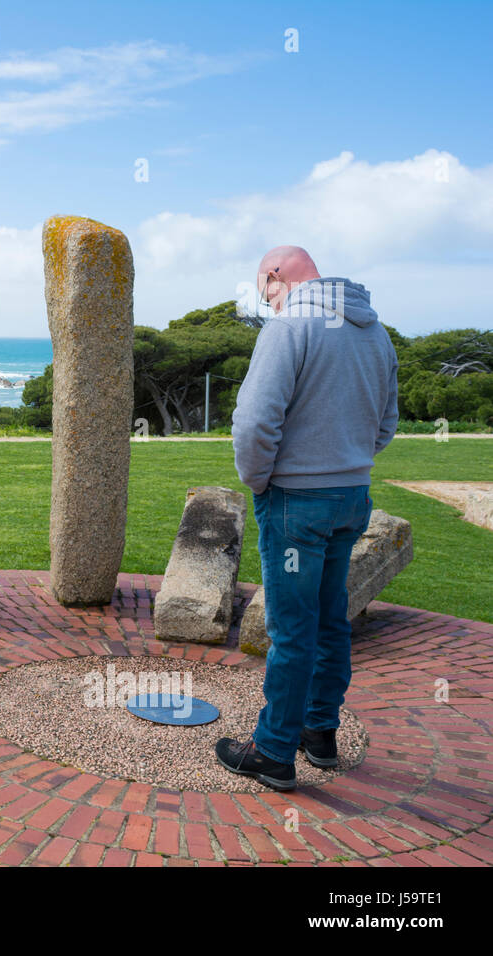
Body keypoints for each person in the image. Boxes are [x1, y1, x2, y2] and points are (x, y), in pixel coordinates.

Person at [217, 245, 399, 790]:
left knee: (292, 629)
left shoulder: (290, 326)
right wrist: (349, 459)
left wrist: (259, 480)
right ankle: (319, 733)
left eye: (264, 288)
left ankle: (273, 751)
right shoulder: (375, 331)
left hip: (296, 499)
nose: (267, 302)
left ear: (278, 276)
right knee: (329, 620)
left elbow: (253, 421)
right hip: (352, 494)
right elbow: (386, 421)